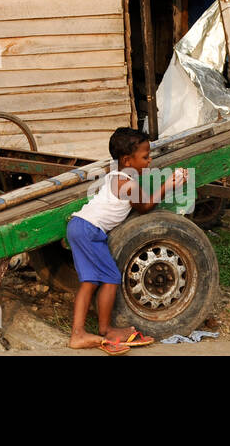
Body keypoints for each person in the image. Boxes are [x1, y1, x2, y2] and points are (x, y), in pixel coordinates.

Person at [65, 127, 189, 354]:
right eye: (145, 157)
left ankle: (86, 332)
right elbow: (144, 207)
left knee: (91, 281)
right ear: (127, 160)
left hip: (79, 226)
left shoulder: (115, 177)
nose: (150, 160)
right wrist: (169, 186)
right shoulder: (128, 185)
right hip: (89, 231)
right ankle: (96, 331)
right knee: (110, 278)